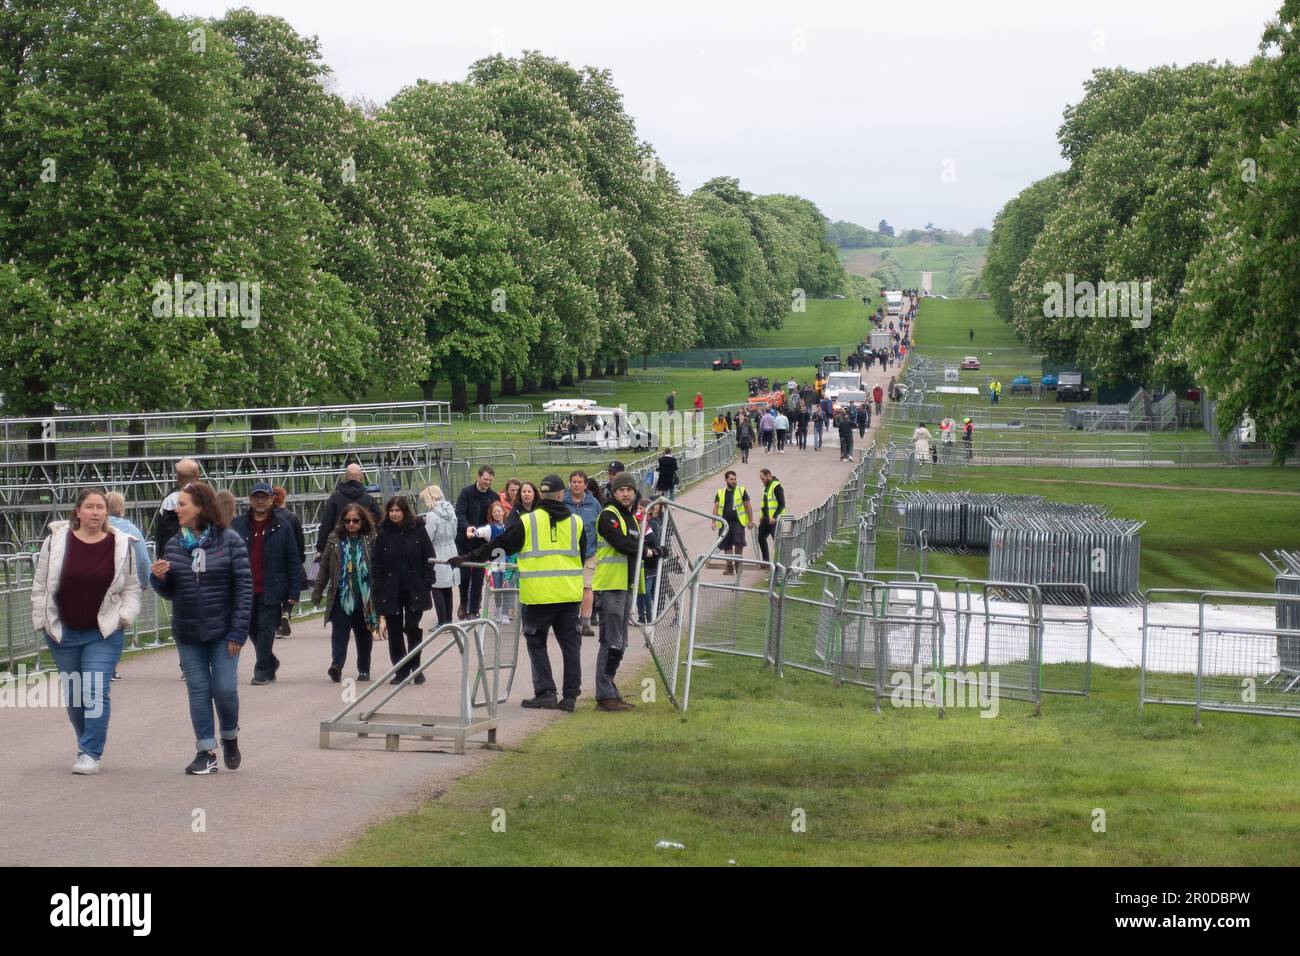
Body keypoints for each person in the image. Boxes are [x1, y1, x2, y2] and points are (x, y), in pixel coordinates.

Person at [32, 487, 142, 774]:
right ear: (78, 511)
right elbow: (41, 584)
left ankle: (90, 752)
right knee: (74, 694)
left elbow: (131, 587)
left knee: (95, 690)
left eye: (101, 507)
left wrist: (125, 617)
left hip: (102, 632)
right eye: (90, 507)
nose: (95, 512)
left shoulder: (120, 544)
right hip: (63, 631)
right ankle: (85, 742)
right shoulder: (56, 542)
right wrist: (41, 619)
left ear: (107, 513)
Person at [150, 480, 251, 776]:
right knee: (198, 689)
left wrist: (238, 632)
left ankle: (229, 735)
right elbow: (172, 592)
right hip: (188, 631)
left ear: (201, 507)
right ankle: (205, 750)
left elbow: (243, 589)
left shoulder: (229, 540)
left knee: (224, 689)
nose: (176, 509)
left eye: (182, 504)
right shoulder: (174, 544)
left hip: (223, 631)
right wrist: (159, 578)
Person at [459, 475, 584, 713]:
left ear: (540, 495)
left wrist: (470, 557)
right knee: (571, 645)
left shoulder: (527, 522)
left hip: (538, 597)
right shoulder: (576, 522)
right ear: (561, 495)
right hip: (569, 594)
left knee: (537, 644)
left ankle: (546, 692)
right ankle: (570, 697)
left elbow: (501, 545)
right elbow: (583, 553)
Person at [592, 473, 655, 712]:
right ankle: (605, 694)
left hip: (626, 585)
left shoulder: (631, 518)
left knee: (620, 642)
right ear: (614, 492)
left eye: (629, 489)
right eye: (621, 490)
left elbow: (636, 548)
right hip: (611, 585)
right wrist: (648, 551)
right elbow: (621, 543)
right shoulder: (609, 516)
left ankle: (609, 688)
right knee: (611, 640)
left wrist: (654, 551)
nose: (626, 494)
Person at [230, 482, 304, 686]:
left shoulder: (283, 526)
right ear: (250, 500)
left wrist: (293, 591)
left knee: (265, 629)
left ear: (272, 499)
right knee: (250, 628)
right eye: (256, 497)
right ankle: (270, 661)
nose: (260, 501)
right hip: (245, 588)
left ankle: (262, 671)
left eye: (264, 497)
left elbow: (293, 560)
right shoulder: (237, 525)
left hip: (272, 588)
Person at [311, 503, 380, 684]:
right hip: (342, 596)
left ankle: (364, 669)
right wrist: (317, 591)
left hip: (365, 597)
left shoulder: (371, 539)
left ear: (362, 521)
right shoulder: (334, 540)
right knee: (339, 633)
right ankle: (336, 666)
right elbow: (325, 567)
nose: (351, 524)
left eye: (355, 520)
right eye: (347, 520)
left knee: (364, 636)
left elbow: (379, 568)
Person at [372, 496, 435, 685]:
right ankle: (401, 670)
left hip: (415, 588)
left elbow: (429, 557)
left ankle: (416, 666)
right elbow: (377, 563)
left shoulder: (418, 530)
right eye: (391, 510)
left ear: (405, 511)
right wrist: (380, 586)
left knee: (412, 626)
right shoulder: (384, 533)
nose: (394, 514)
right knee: (394, 630)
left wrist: (426, 582)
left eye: (397, 510)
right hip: (391, 589)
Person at [104, 491, 150, 682]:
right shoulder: (131, 529)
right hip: (123, 584)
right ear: (122, 507)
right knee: (118, 624)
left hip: (102, 582)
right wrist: (144, 581)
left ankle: (99, 665)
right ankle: (110, 666)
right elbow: (143, 558)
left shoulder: (98, 527)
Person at [454, 464, 498, 619]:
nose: (487, 483)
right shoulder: (466, 493)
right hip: (465, 540)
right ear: (478, 477)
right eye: (485, 479)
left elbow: (496, 516)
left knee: (478, 576)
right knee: (464, 575)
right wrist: (467, 527)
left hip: (482, 542)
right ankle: (463, 603)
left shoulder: (493, 496)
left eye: (490, 481)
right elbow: (459, 513)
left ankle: (474, 609)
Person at [563, 470, 602, 637]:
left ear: (586, 485)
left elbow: (600, 527)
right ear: (569, 483)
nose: (577, 485)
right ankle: (569, 621)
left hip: (589, 552)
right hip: (567, 553)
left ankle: (585, 621)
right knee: (569, 588)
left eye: (580, 482)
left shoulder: (594, 504)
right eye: (574, 482)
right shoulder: (562, 502)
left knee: (587, 587)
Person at [314, 464, 383, 555]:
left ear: (345, 477)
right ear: (361, 477)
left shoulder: (335, 498)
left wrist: (320, 548)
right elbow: (380, 524)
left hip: (339, 547)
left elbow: (326, 525)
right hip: (364, 548)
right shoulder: (369, 499)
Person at [418, 485, 459, 626]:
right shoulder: (451, 511)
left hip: (437, 550)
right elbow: (454, 532)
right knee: (447, 587)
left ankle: (442, 621)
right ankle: (448, 619)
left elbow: (428, 536)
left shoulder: (431, 515)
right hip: (451, 548)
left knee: (436, 587)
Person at [270, 486, 305, 637]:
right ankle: (286, 612)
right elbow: (300, 540)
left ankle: (278, 620)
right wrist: (300, 558)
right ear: (283, 499)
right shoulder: (292, 517)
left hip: (272, 559)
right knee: (291, 588)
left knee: (275, 588)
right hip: (290, 559)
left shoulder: (266, 517)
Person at [151, 458, 200, 556]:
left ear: (178, 478)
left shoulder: (168, 501)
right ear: (197, 476)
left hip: (171, 558)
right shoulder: (204, 497)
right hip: (200, 559)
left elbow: (160, 534)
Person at [712, 471, 753, 575]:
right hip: (724, 523)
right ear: (726, 480)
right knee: (727, 546)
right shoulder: (720, 493)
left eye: (735, 479)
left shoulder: (741, 490)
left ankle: (738, 565)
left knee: (739, 544)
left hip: (738, 523)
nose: (734, 481)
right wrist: (713, 522)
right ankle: (729, 568)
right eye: (731, 479)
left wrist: (750, 521)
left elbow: (748, 506)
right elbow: (716, 508)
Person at [638, 501, 665, 624]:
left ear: (648, 510)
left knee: (647, 591)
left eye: (641, 508)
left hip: (650, 566)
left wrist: (651, 552)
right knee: (640, 592)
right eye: (637, 508)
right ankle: (641, 616)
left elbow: (657, 546)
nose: (639, 510)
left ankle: (650, 616)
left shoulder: (652, 526)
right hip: (639, 566)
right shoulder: (635, 523)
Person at [756, 469, 785, 564]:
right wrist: (761, 516)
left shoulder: (776, 486)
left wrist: (775, 517)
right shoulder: (765, 488)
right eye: (761, 479)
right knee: (760, 537)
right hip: (766, 519)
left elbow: (782, 504)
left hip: (774, 520)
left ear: (769, 475)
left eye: (763, 479)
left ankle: (779, 563)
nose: (762, 481)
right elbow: (764, 504)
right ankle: (766, 561)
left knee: (777, 541)